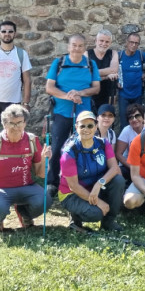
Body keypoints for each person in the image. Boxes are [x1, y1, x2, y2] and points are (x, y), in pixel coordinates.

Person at [0, 104, 51, 231]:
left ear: (25, 123)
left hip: (26, 186)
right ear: (4, 124)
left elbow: (41, 174)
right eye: (11, 123)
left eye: (19, 123)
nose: (16, 127)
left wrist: (44, 159)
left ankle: (24, 213)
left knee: (45, 199)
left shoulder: (31, 140)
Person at [44, 34, 101, 193]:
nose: (77, 48)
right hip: (62, 112)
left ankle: (82, 180)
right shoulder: (59, 63)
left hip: (84, 114)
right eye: (74, 45)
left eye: (80, 46)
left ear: (84, 48)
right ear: (68, 47)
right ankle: (52, 182)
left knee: (83, 146)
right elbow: (49, 88)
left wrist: (80, 93)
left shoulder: (90, 64)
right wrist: (68, 96)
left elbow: (96, 88)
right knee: (57, 147)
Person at [58, 111, 126, 233]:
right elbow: (73, 186)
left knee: (118, 181)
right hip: (71, 194)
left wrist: (98, 184)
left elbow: (115, 168)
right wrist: (99, 202)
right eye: (82, 126)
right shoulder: (69, 152)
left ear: (96, 127)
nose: (86, 129)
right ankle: (75, 216)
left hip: (95, 188)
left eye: (90, 126)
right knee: (96, 213)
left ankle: (108, 222)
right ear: (76, 127)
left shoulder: (103, 144)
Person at [116, 32, 145, 129]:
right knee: (124, 123)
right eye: (131, 42)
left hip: (137, 95)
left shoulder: (140, 55)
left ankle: (137, 142)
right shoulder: (119, 55)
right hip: (123, 95)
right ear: (126, 42)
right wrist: (116, 81)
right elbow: (112, 69)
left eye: (136, 43)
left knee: (138, 122)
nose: (133, 45)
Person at [87, 29, 119, 114]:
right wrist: (106, 76)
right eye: (101, 41)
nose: (104, 44)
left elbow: (114, 70)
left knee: (105, 120)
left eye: (107, 42)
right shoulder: (87, 54)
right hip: (90, 95)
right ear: (96, 41)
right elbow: (86, 74)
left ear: (110, 43)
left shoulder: (113, 53)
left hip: (108, 94)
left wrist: (93, 72)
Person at [115, 103, 145, 182]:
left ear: (143, 117)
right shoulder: (127, 130)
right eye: (131, 117)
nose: (134, 119)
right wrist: (133, 167)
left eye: (137, 116)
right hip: (129, 165)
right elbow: (118, 154)